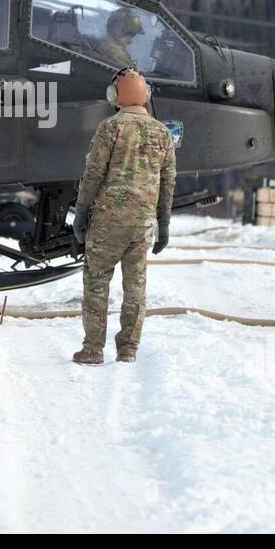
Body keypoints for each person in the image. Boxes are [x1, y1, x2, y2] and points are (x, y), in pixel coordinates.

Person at [70, 68, 176, 364]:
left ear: (116, 96)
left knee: (96, 282)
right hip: (142, 224)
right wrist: (163, 221)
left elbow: (93, 173)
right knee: (135, 287)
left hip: (108, 221)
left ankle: (92, 349)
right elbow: (168, 181)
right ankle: (128, 349)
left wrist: (81, 212)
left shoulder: (110, 127)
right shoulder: (163, 133)